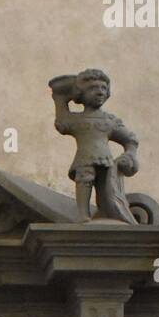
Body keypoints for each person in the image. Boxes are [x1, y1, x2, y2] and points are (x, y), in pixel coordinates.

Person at [49, 69, 139, 223]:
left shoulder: (109, 121)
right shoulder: (76, 120)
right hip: (84, 158)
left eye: (103, 88)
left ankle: (106, 210)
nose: (100, 92)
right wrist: (59, 97)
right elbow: (61, 124)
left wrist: (130, 154)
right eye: (93, 88)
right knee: (85, 179)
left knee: (106, 186)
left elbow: (130, 140)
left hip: (106, 159)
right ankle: (83, 214)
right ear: (81, 94)